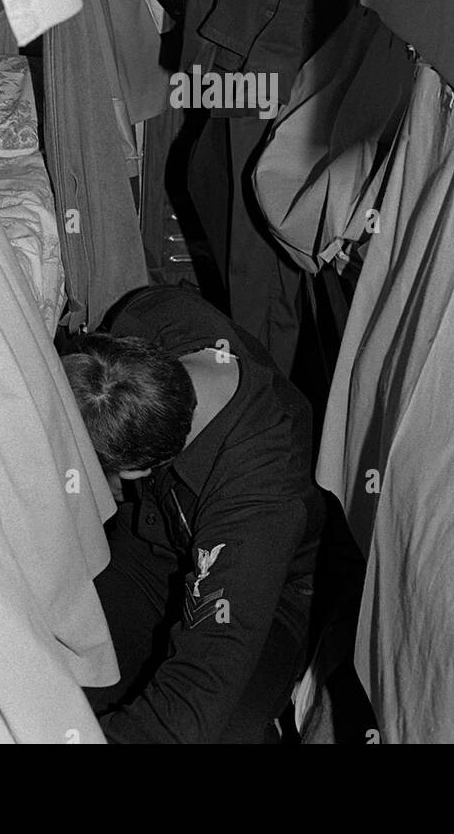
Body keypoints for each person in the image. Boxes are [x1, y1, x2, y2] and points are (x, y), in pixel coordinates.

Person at [61, 282, 325, 744]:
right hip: (153, 550)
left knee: (207, 731)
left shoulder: (262, 494)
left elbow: (196, 697)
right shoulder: (150, 317)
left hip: (270, 591)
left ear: (138, 470)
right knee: (53, 674)